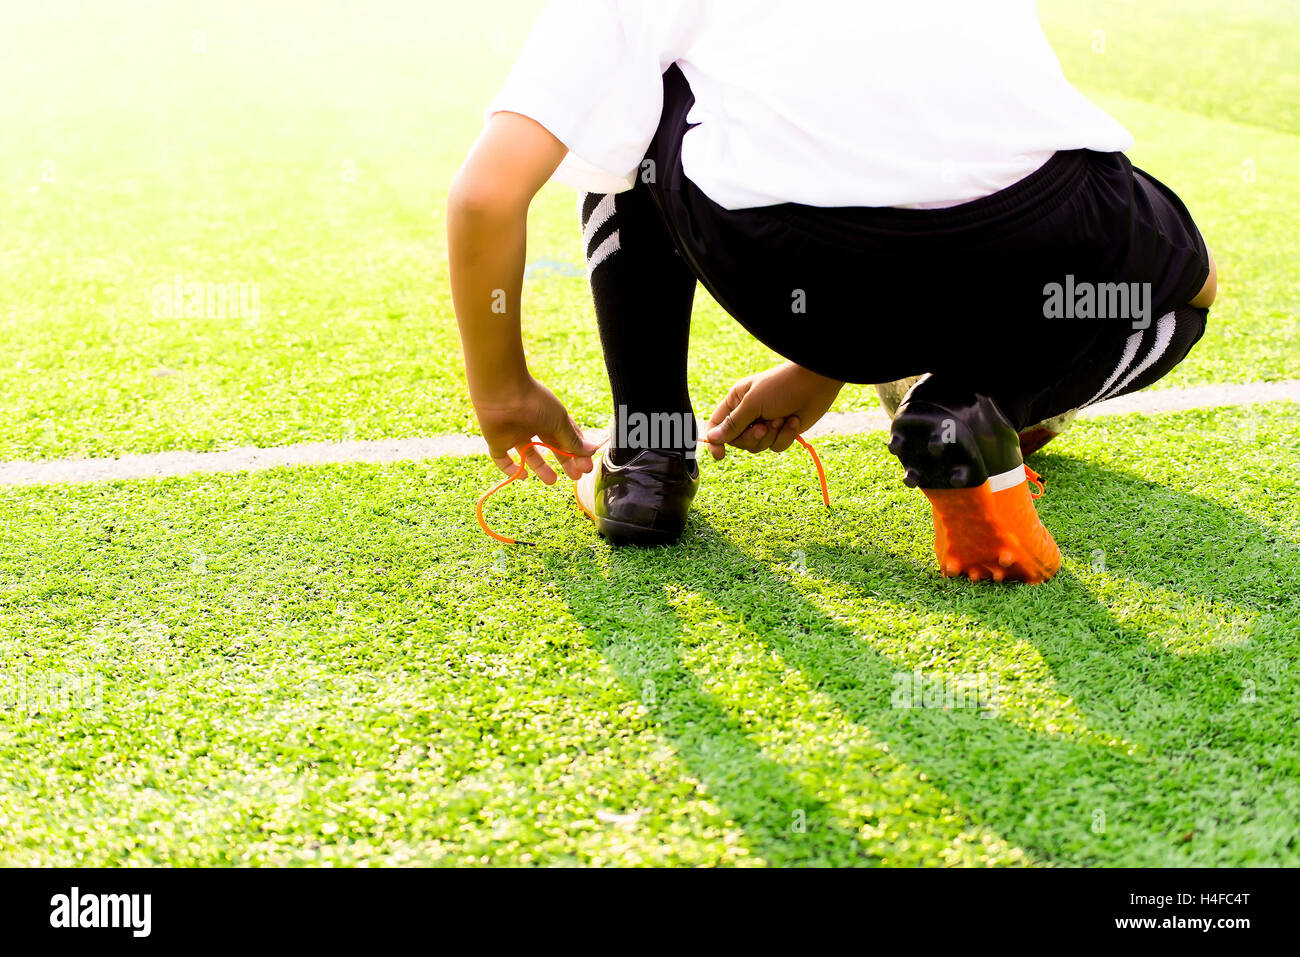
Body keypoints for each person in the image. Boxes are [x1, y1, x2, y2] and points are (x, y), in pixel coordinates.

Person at [448, 0, 1216, 583]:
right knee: (1188, 290)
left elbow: (487, 193)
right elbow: (923, 136)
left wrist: (504, 391)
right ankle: (977, 405)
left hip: (800, 265)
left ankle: (649, 454)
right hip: (1049, 229)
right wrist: (826, 364)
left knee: (628, 105)